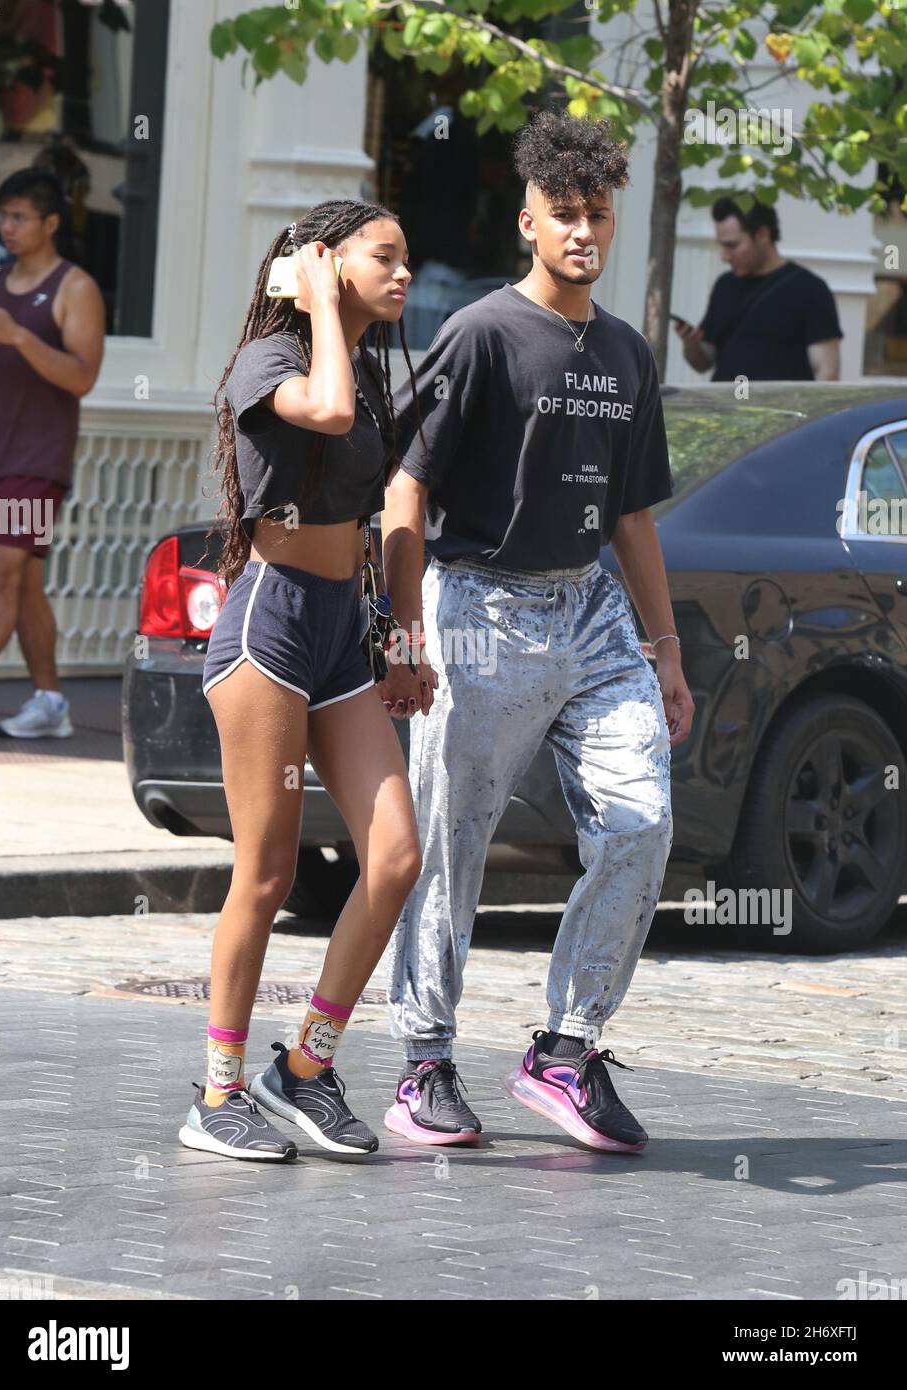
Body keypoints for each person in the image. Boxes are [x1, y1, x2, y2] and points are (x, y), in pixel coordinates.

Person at [379, 110, 695, 1153]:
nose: (581, 233)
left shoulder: (625, 352)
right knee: (448, 841)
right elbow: (404, 491)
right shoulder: (477, 334)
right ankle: (422, 1059)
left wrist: (666, 649)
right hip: (480, 608)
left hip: (592, 607)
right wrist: (406, 629)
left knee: (641, 818)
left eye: (596, 215)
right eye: (562, 214)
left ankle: (564, 1051)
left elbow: (633, 515)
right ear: (527, 220)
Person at [179, 199, 426, 1162]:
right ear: (322, 263)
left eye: (409, 258)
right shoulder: (272, 364)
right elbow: (318, 414)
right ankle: (218, 1090)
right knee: (269, 870)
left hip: (337, 635)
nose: (405, 273)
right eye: (384, 257)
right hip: (268, 626)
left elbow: (396, 505)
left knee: (397, 855)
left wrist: (402, 636)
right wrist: (320, 303)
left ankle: (308, 1068)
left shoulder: (365, 375)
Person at [0, 168, 105, 736]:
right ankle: (51, 701)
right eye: (2, 215)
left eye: (19, 216)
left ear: (51, 222)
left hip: (38, 459)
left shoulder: (75, 287)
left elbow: (83, 376)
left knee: (2, 577)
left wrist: (21, 336)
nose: (6, 226)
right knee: (23, 580)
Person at [677, 197, 842, 382]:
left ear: (763, 234)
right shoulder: (724, 285)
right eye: (722, 245)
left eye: (732, 245)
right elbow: (703, 363)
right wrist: (690, 344)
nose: (724, 256)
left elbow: (827, 372)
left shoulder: (810, 289)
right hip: (723, 407)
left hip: (780, 408)